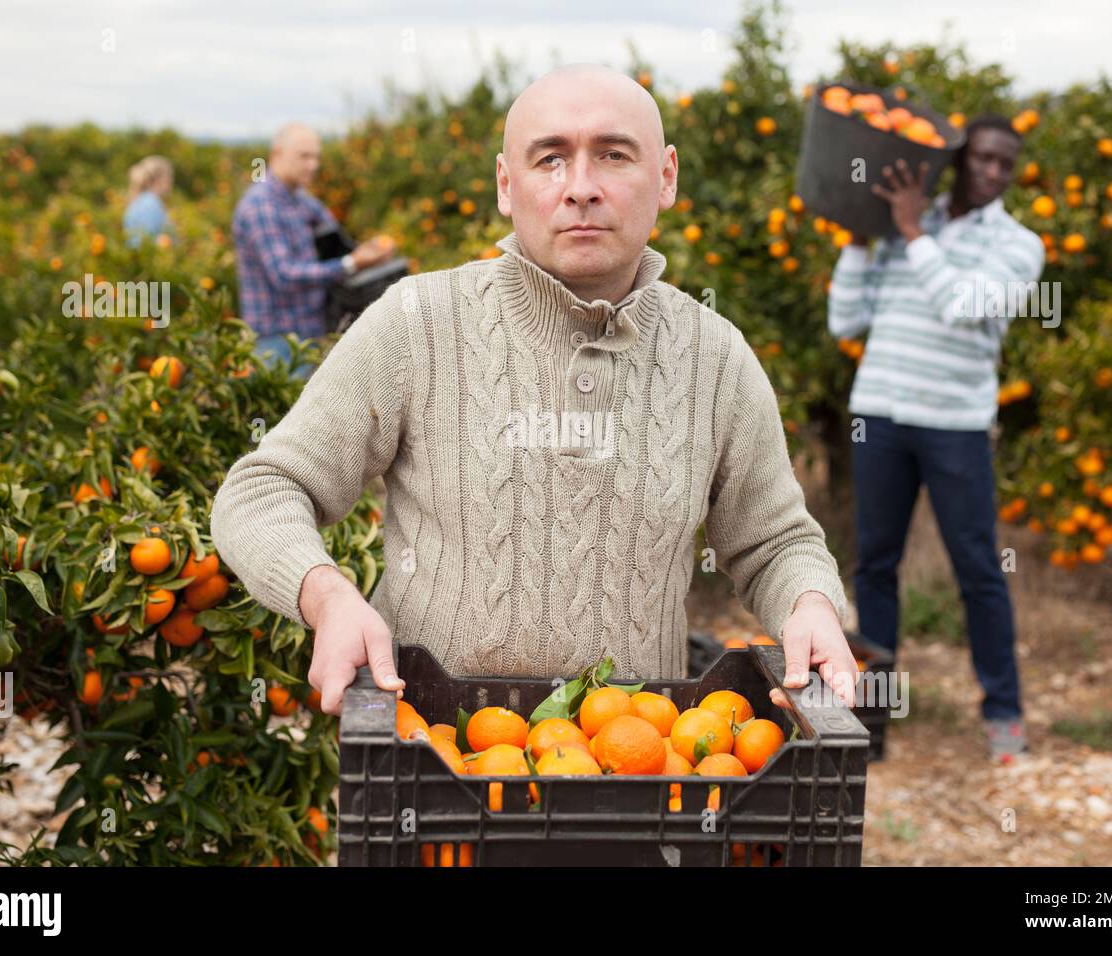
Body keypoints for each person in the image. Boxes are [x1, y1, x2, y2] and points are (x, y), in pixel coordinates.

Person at [211, 65, 857, 716]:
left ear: (665, 177)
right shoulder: (416, 324)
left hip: (633, 765)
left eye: (613, 155)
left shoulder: (715, 358)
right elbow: (264, 490)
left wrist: (810, 603)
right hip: (434, 758)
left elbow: (774, 542)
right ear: (504, 184)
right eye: (550, 158)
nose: (580, 188)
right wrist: (327, 597)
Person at [827, 115, 1046, 760]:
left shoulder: (1017, 244)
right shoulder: (899, 224)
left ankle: (1003, 715)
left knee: (978, 570)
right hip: (881, 414)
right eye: (982, 158)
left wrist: (912, 231)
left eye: (1006, 164)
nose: (993, 172)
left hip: (957, 423)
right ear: (958, 160)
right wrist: (863, 240)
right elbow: (845, 317)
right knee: (876, 569)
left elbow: (962, 305)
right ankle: (873, 724)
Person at [231, 123, 394, 379]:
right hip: (276, 342)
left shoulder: (301, 200)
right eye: (304, 156)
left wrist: (372, 250)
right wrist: (351, 264)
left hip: (310, 335)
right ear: (277, 155)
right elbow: (283, 275)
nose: (313, 165)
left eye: (316, 157)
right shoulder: (260, 205)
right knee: (281, 417)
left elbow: (339, 237)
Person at [123, 155, 176, 247]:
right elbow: (146, 242)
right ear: (158, 179)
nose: (171, 181)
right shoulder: (150, 203)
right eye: (169, 176)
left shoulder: (142, 200)